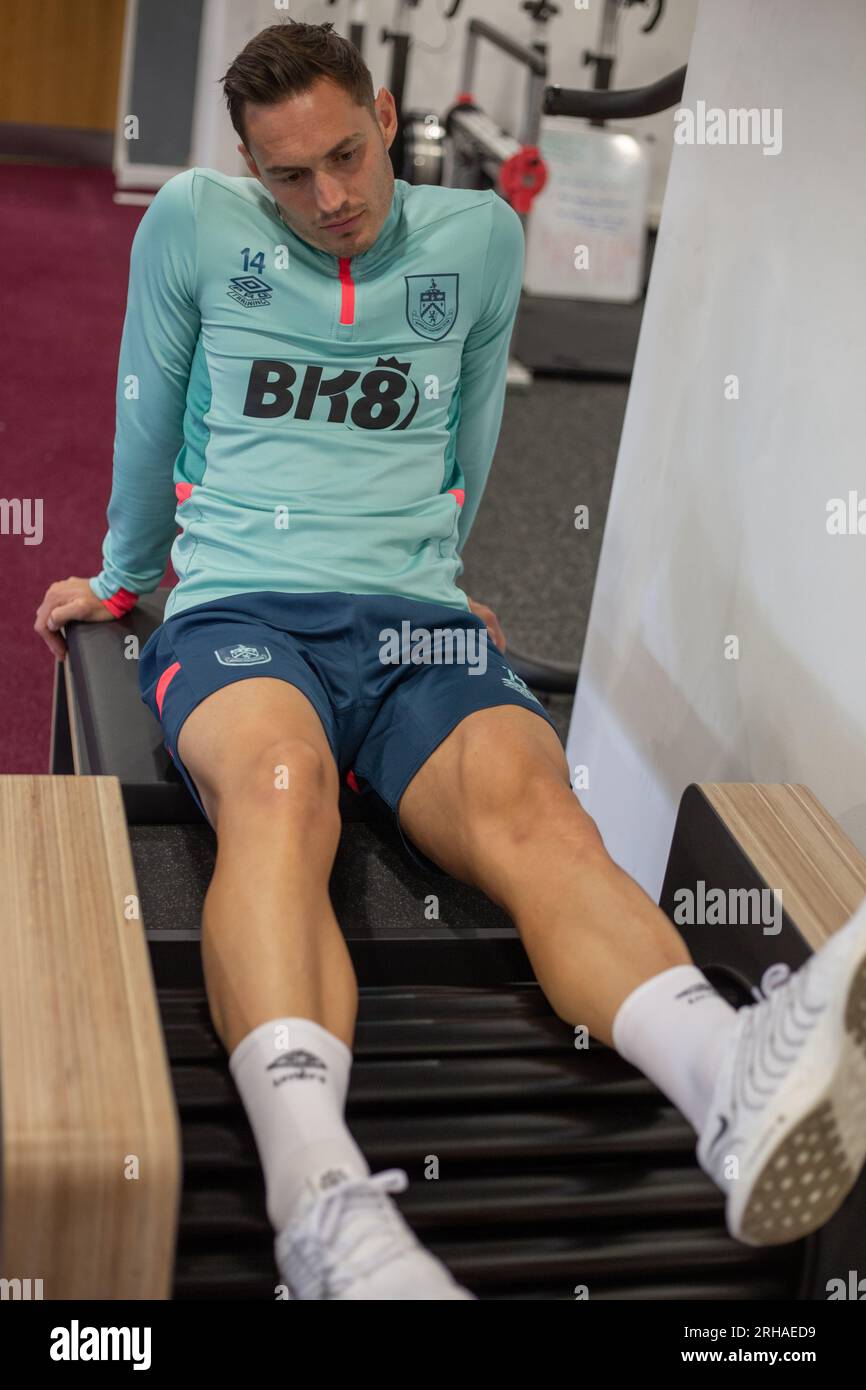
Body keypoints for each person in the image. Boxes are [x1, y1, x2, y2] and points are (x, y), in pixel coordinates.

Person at [35, 20, 866, 1300]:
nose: (329, 200)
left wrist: (440, 575)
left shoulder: (476, 241)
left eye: (348, 157)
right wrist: (127, 575)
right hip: (242, 605)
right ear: (249, 169)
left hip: (410, 611)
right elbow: (146, 410)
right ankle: (321, 1206)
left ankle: (727, 1075)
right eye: (289, 178)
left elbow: (467, 437)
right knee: (278, 795)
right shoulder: (192, 223)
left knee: (541, 811)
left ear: (381, 114)